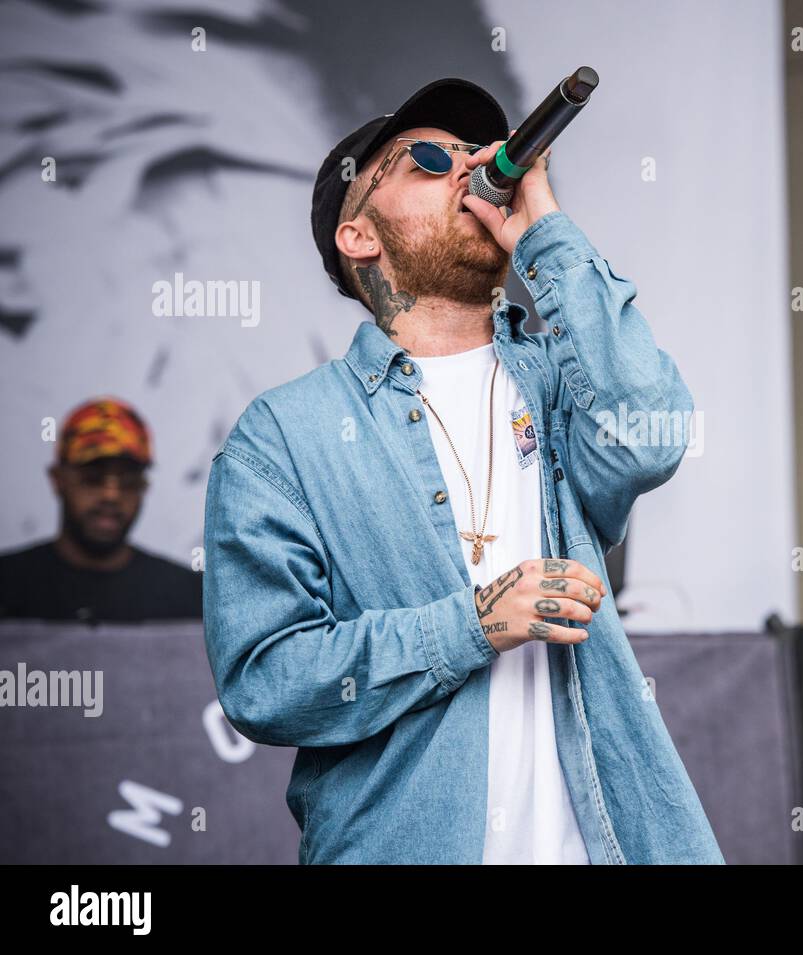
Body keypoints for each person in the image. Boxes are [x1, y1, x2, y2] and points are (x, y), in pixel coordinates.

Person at [201, 78, 723, 864]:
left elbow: (651, 433)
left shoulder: (556, 384)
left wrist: (544, 227)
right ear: (358, 237)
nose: (467, 170)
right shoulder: (283, 436)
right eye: (429, 158)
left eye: (473, 156)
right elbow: (265, 679)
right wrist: (470, 625)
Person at [0, 397, 203, 623]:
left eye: (128, 481)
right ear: (58, 480)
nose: (111, 496)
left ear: (143, 488)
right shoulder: (7, 583)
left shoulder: (192, 597)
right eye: (93, 479)